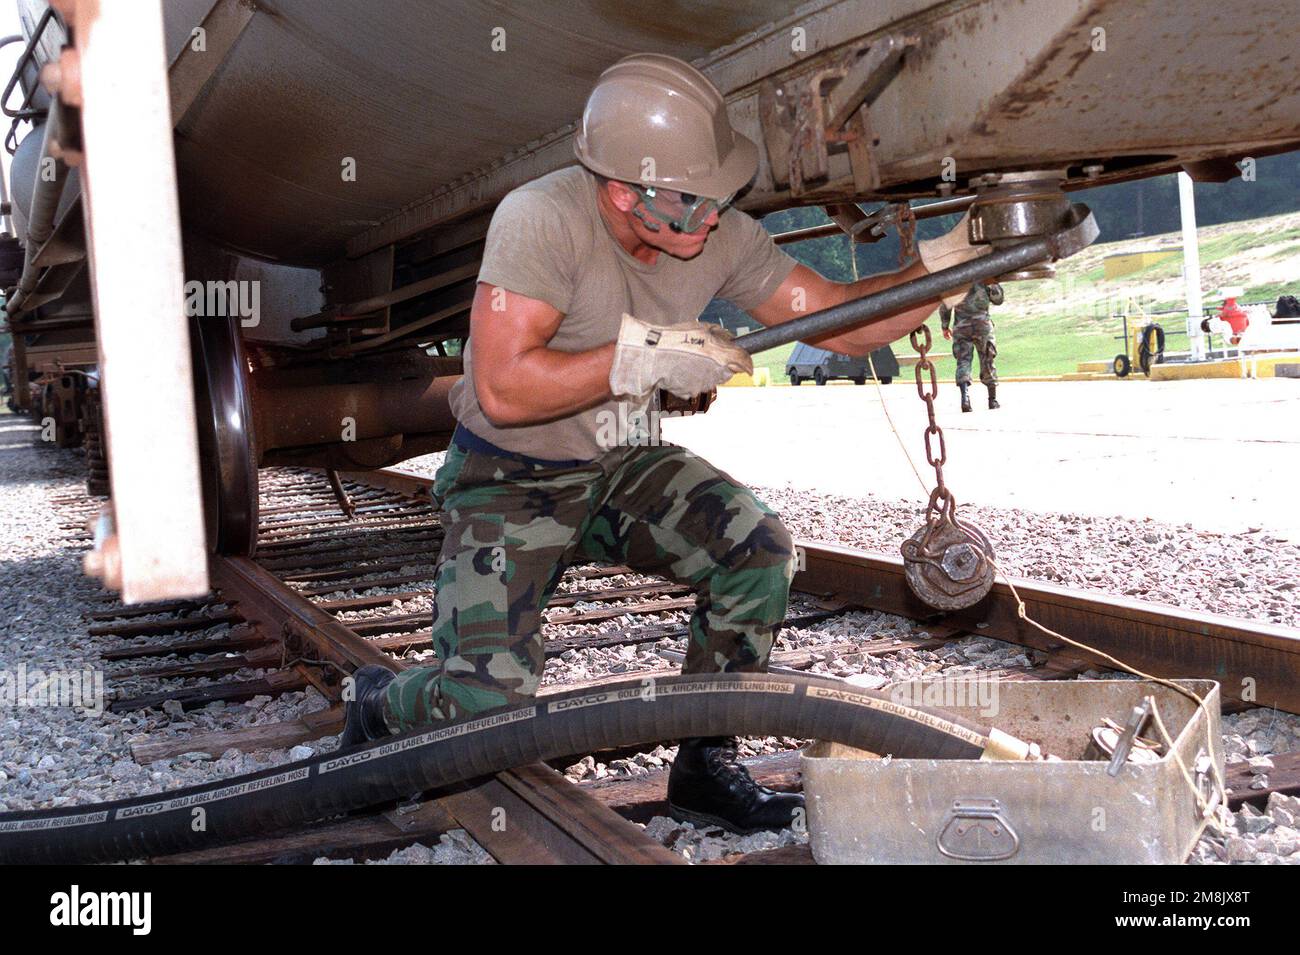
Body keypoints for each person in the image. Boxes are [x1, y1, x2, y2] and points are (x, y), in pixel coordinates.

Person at [342, 53, 988, 834]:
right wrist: (638, 355)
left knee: (758, 550)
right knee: (485, 708)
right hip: (510, 474)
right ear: (623, 191)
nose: (714, 218)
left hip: (619, 462)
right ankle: (381, 704)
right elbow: (503, 389)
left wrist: (945, 269)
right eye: (696, 202)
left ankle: (703, 763)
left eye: (720, 199)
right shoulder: (540, 220)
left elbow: (838, 322)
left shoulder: (719, 232)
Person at [940, 280, 1003, 411]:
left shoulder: (955, 277)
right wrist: (993, 284)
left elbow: (946, 305)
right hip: (982, 325)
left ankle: (965, 400)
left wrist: (945, 326)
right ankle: (992, 400)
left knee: (963, 361)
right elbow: (998, 299)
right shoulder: (986, 274)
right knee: (988, 359)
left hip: (962, 326)